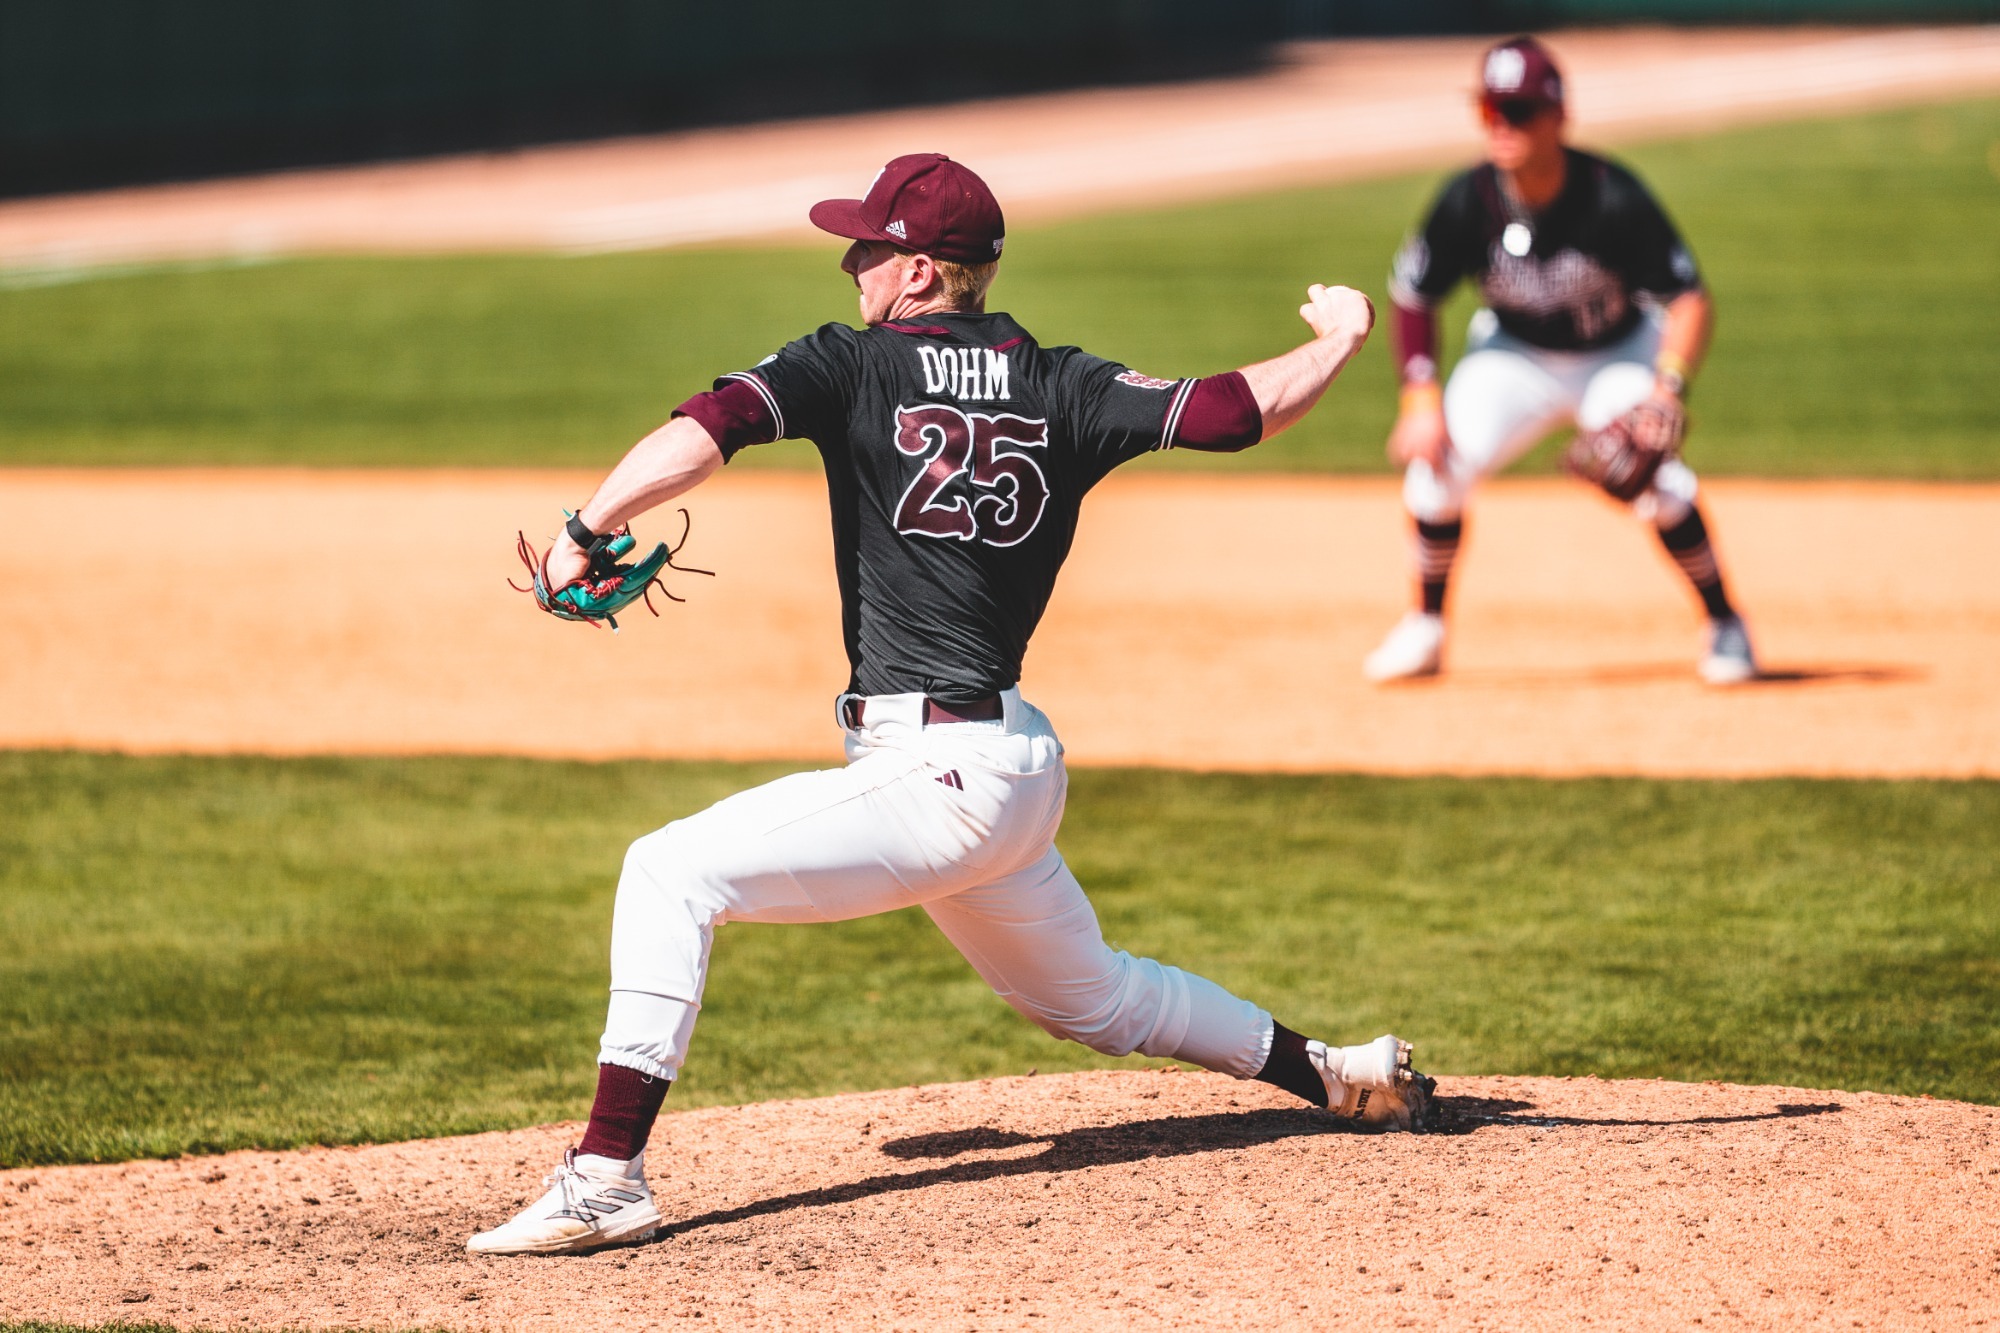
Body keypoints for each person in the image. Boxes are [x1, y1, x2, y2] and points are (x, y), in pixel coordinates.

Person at [468, 152, 1435, 1257]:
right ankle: (1338, 1072)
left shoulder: (851, 364)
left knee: (665, 870)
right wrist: (1342, 337)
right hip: (1014, 770)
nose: (850, 264)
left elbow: (709, 424)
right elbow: (1231, 412)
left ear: (920, 271)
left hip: (935, 779)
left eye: (867, 249)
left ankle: (604, 1177)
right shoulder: (1062, 382)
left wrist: (586, 529)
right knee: (1100, 1003)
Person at [1365, 35, 1756, 685]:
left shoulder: (1613, 195)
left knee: (1660, 481)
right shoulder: (1467, 199)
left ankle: (1725, 623)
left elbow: (1687, 300)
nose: (1503, 126)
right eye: (1491, 111)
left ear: (1558, 117)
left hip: (1618, 352)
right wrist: (1419, 396)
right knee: (1433, 471)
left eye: (1519, 111)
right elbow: (1413, 296)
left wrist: (1665, 389)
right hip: (1514, 355)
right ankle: (1426, 627)